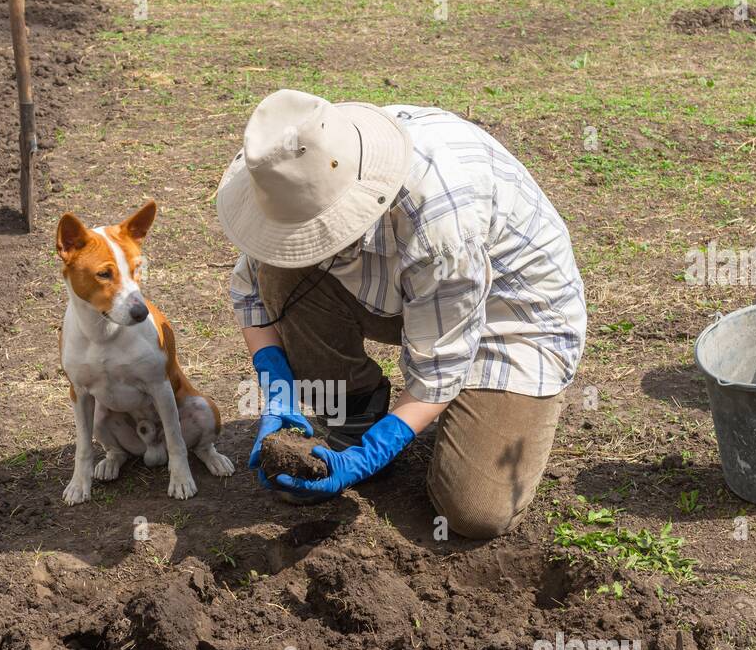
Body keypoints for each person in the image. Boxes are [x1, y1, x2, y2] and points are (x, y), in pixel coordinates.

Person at [216, 89, 586, 538]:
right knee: (282, 268)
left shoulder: (440, 223)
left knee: (473, 512)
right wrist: (275, 386)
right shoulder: (292, 172)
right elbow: (252, 290)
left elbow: (440, 368)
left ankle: (438, 422)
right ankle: (355, 411)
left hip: (510, 316)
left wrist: (373, 453)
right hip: (409, 289)